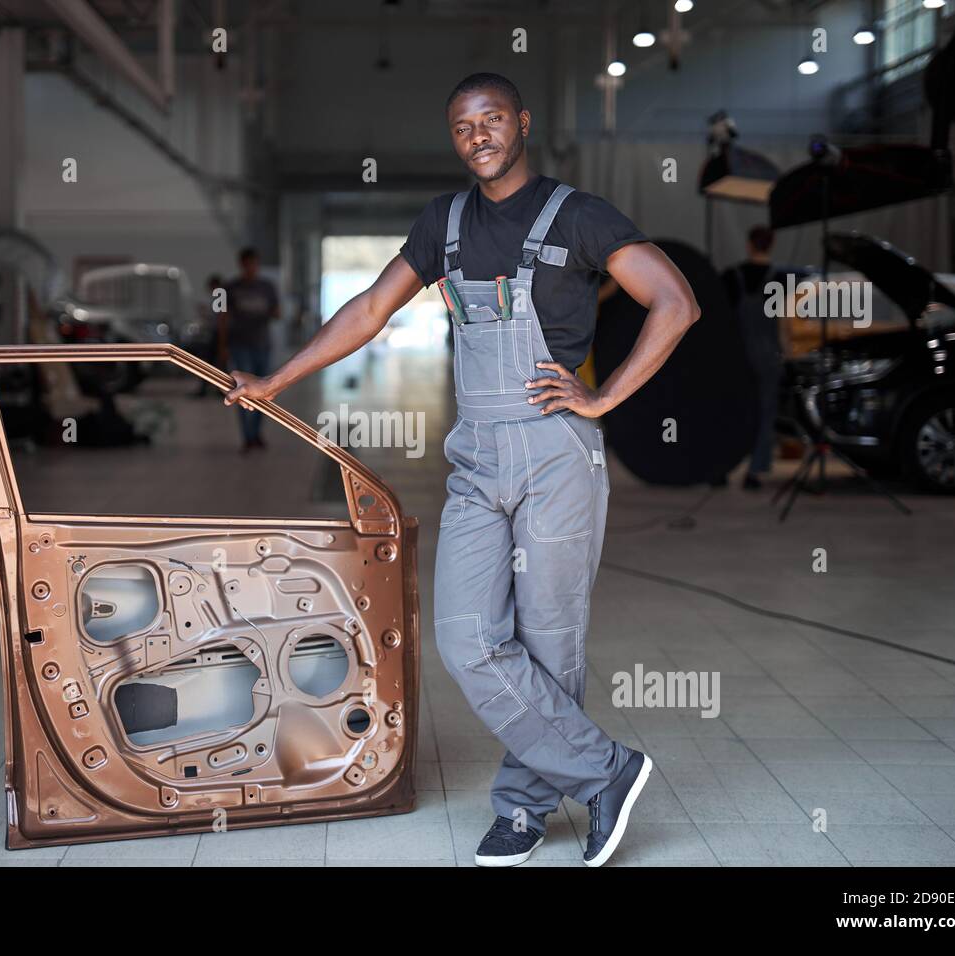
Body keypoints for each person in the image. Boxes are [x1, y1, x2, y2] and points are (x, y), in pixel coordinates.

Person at [226, 72, 699, 867]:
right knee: (466, 637)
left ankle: (521, 808)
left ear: (521, 121)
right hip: (477, 455)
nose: (477, 134)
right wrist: (276, 380)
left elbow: (675, 302)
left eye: (490, 119)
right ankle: (607, 771)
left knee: (550, 640)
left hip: (555, 453)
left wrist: (604, 396)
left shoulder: (577, 215)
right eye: (461, 126)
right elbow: (371, 310)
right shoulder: (441, 224)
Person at [721, 225, 784, 490]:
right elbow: (782, 322)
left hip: (738, 355)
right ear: (771, 245)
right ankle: (754, 472)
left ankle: (720, 469)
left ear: (749, 244)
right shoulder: (779, 279)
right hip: (769, 354)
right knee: (765, 412)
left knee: (730, 412)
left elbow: (721, 320)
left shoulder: (731, 277)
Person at [220, 249, 279, 452]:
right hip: (239, 344)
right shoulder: (229, 287)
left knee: (264, 390)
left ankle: (256, 433)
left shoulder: (268, 287)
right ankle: (247, 436)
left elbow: (278, 312)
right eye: (247, 264)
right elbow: (222, 317)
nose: (251, 268)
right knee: (243, 390)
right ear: (241, 264)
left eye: (254, 264)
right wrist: (222, 345)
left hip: (262, 344)